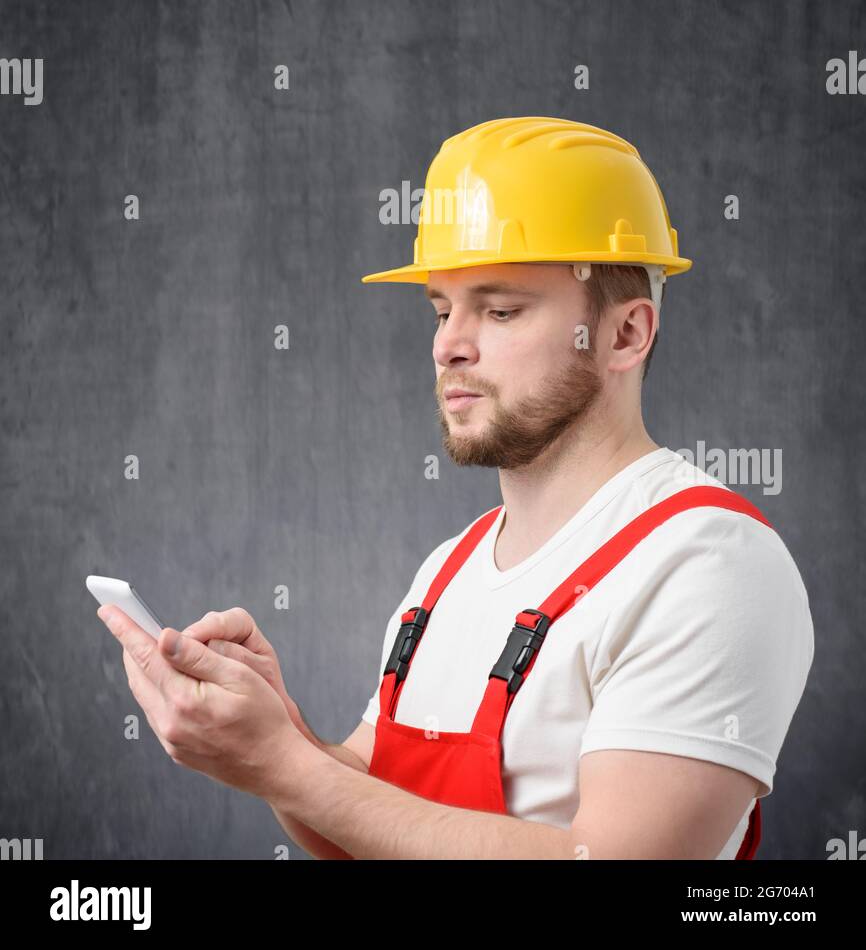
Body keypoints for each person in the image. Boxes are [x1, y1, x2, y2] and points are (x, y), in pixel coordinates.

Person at [97, 115, 814, 860]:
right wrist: (282, 736)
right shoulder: (445, 573)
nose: (447, 345)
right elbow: (362, 823)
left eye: (500, 310)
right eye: (442, 310)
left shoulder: (709, 564)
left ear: (625, 335)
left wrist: (289, 767)